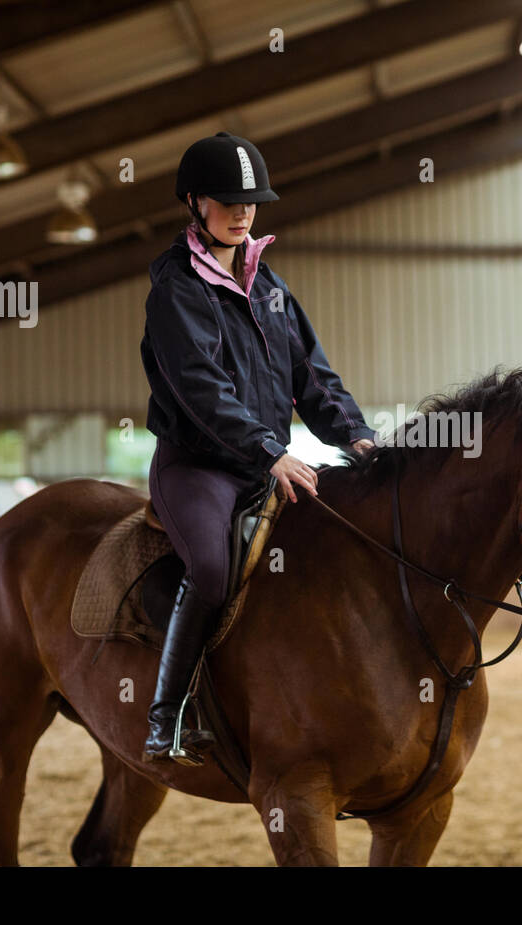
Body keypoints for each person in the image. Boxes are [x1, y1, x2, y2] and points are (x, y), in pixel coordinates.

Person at [139, 132, 376, 763]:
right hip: (199, 467)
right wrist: (271, 451)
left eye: (253, 201)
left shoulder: (269, 285)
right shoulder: (176, 289)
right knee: (214, 570)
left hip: (265, 460)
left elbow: (312, 378)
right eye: (228, 200)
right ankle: (168, 715)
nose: (244, 212)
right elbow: (201, 389)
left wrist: (356, 434)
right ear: (194, 202)